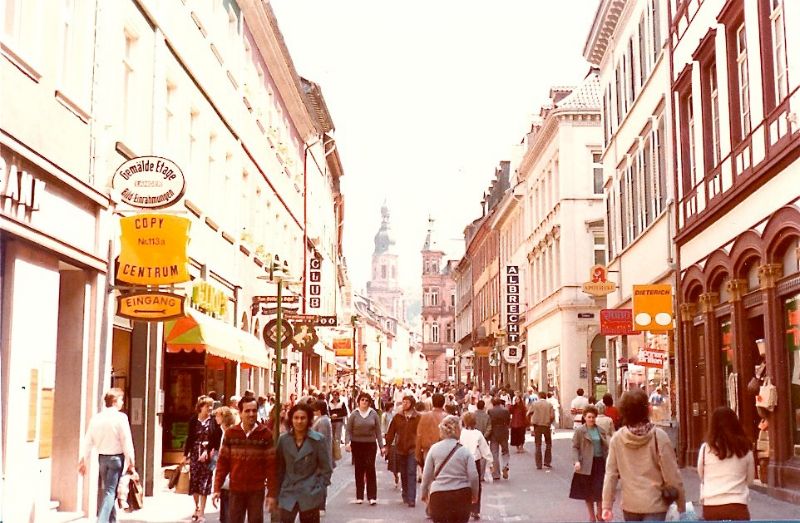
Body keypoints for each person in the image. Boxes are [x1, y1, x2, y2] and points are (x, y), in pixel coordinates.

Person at [601, 388, 685, 522]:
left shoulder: (617, 439)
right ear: (647, 409)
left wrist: (607, 506)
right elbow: (672, 474)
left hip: (630, 505)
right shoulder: (659, 436)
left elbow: (610, 474)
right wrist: (681, 504)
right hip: (655, 505)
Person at [213, 396, 278, 523]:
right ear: (240, 412)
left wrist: (271, 493)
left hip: (256, 489)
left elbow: (271, 465)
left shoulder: (265, 434)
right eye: (247, 411)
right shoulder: (231, 433)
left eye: (254, 410)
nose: (251, 414)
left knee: (255, 520)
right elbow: (223, 463)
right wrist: (217, 488)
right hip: (235, 489)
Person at [78, 388, 136, 523]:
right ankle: (102, 520)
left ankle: (112, 520)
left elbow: (88, 440)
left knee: (109, 491)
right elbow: (126, 440)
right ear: (115, 401)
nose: (122, 402)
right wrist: (131, 462)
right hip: (116, 459)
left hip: (102, 458)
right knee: (110, 492)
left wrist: (83, 460)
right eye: (121, 399)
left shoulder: (96, 418)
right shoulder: (121, 418)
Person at [275, 403, 333, 523]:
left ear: (309, 420)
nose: (299, 421)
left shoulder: (318, 440)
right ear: (291, 419)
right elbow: (278, 468)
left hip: (310, 492)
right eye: (296, 418)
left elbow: (326, 468)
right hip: (288, 492)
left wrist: (319, 488)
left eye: (303, 418)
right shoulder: (283, 440)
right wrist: (277, 492)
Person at [697, 407, 754, 521]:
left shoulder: (705, 449)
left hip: (711, 507)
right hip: (737, 506)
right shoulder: (745, 449)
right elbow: (750, 481)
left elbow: (701, 474)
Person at [420, 416, 480, 523]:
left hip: (439, 495)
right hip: (461, 494)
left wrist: (424, 493)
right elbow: (474, 476)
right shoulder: (465, 451)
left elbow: (427, 474)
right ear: (458, 430)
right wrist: (475, 494)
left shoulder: (434, 449)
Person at [182, 396, 222, 521]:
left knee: (205, 482)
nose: (210, 408)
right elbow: (189, 438)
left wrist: (210, 451)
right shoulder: (194, 420)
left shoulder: (213, 421)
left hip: (208, 455)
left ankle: (202, 512)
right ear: (200, 407)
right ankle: (197, 506)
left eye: (211, 406)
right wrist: (185, 456)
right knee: (194, 481)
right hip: (195, 453)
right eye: (207, 406)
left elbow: (217, 438)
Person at [570, 406, 610, 522]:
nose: (591, 419)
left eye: (593, 417)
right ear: (584, 418)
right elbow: (575, 447)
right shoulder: (580, 431)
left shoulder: (600, 430)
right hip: (586, 465)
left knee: (600, 490)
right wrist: (576, 461)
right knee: (588, 493)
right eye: (589, 417)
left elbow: (606, 447)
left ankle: (600, 515)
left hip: (599, 463)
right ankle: (592, 517)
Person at [345, 392, 385, 505]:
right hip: (357, 444)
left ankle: (372, 496)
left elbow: (378, 431)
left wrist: (382, 447)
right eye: (362, 400)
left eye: (366, 400)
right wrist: (347, 443)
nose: (364, 402)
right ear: (359, 402)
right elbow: (348, 430)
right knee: (359, 469)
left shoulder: (373, 414)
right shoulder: (354, 414)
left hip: (370, 444)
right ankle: (359, 496)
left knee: (370, 468)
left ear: (369, 402)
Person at [384, 394, 421, 507]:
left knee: (411, 472)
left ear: (412, 404)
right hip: (400, 448)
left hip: (412, 448)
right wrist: (387, 446)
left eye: (407, 402)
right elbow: (391, 432)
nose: (404, 404)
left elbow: (421, 432)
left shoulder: (418, 417)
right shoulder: (397, 417)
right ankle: (405, 493)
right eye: (403, 402)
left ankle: (411, 498)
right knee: (403, 473)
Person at [460, 412, 492, 520]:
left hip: (462, 461)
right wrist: (490, 462)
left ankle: (464, 508)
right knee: (476, 486)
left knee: (462, 484)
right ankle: (475, 509)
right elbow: (485, 449)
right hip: (475, 461)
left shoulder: (460, 433)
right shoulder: (478, 434)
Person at [212, 406, 238, 523]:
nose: (215, 418)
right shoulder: (223, 431)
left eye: (217, 415)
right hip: (226, 476)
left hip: (230, 475)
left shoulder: (229, 432)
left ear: (223, 417)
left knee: (228, 510)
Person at [416, 393, 448, 467]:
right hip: (443, 450)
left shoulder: (425, 416)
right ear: (443, 403)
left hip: (428, 449)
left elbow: (419, 435)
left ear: (433, 403)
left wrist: (417, 452)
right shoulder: (447, 417)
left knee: (428, 474)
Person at [527, 391, 555, 469]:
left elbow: (528, 413)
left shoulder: (535, 404)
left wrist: (531, 422)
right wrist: (550, 422)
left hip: (537, 426)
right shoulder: (549, 405)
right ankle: (547, 461)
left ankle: (538, 464)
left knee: (538, 444)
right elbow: (552, 416)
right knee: (548, 444)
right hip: (546, 425)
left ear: (539, 396)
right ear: (545, 396)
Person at [486, 397, 511, 480]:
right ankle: (505, 465)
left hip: (494, 432)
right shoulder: (505, 410)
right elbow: (508, 421)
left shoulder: (490, 411)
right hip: (503, 431)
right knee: (505, 451)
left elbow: (489, 422)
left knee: (494, 453)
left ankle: (496, 473)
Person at [328, 389, 348, 461]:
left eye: (336, 395)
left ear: (338, 395)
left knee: (337, 437)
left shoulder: (342, 403)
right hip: (332, 421)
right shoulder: (329, 403)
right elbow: (328, 412)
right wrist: (331, 415)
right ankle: (333, 452)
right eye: (333, 395)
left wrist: (337, 415)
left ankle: (337, 453)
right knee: (332, 437)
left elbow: (345, 413)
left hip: (339, 421)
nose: (335, 396)